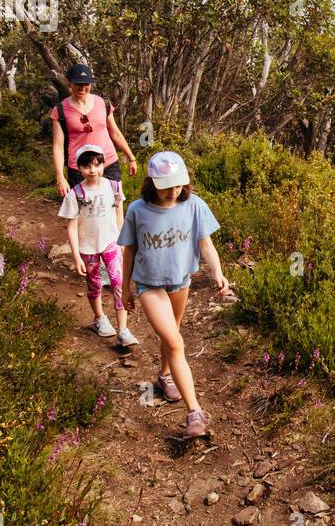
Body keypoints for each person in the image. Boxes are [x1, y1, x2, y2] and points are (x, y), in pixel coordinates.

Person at [119, 151, 232, 439]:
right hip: (149, 285)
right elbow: (129, 250)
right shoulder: (137, 210)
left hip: (180, 281)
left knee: (174, 335)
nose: (174, 191)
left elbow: (205, 244)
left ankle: (165, 374)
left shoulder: (194, 205)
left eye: (178, 184)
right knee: (174, 341)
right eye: (167, 185)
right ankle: (195, 412)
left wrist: (217, 272)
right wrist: (124, 288)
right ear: (152, 182)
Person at [59, 144, 139, 347]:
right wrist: (76, 256)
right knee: (94, 284)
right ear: (79, 168)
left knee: (119, 282)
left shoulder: (113, 187)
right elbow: (71, 227)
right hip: (88, 247)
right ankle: (99, 318)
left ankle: (123, 329)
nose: (92, 170)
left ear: (104, 164)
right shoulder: (75, 194)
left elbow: (120, 214)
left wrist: (123, 241)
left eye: (97, 164)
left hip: (111, 242)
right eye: (87, 166)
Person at [50, 63, 138, 198]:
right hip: (80, 167)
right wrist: (60, 177)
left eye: (87, 83)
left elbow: (115, 133)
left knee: (114, 204)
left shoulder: (103, 104)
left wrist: (131, 157)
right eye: (78, 83)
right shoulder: (60, 110)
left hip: (108, 163)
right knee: (83, 209)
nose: (83, 87)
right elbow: (58, 147)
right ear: (69, 83)